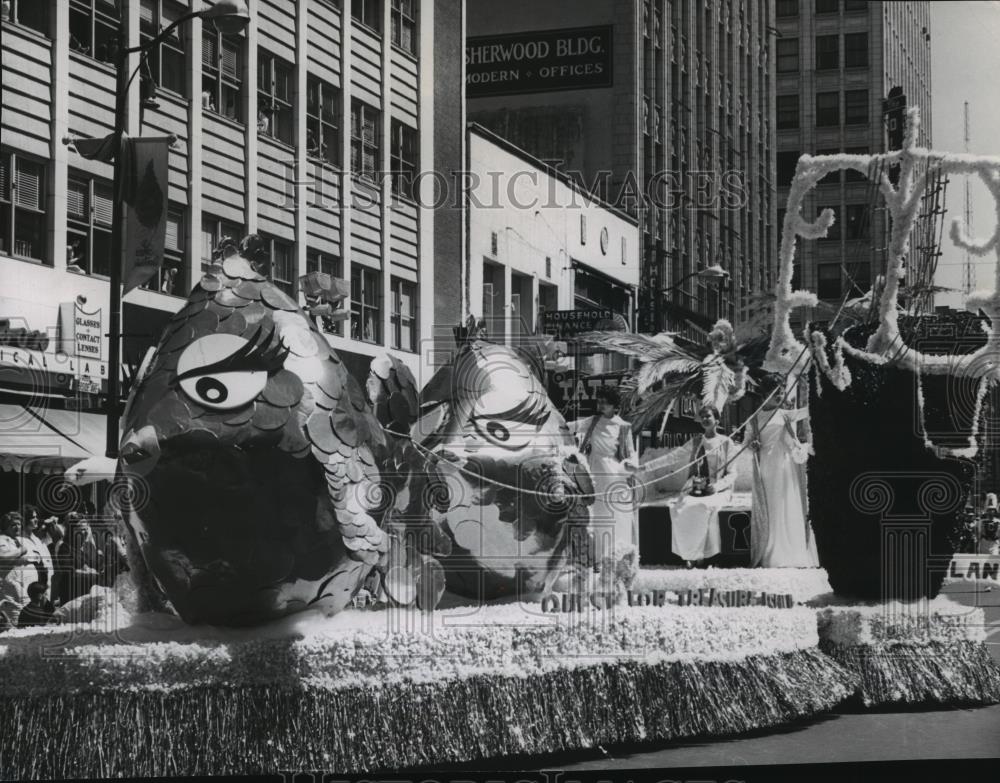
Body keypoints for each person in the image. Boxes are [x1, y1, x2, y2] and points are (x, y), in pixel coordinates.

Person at [749, 374, 819, 568]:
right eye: (775, 393)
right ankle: (772, 552)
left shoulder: (785, 415)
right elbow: (748, 441)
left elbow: (807, 411)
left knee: (787, 502)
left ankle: (793, 551)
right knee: (771, 504)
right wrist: (752, 444)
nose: (780, 396)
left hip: (785, 463)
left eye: (781, 392)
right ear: (765, 394)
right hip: (767, 465)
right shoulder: (755, 418)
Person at [567, 388, 639, 569]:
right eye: (599, 401)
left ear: (614, 405)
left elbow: (630, 454)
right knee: (598, 517)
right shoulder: (592, 421)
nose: (601, 405)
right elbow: (568, 426)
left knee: (617, 516)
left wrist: (630, 464)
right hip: (594, 473)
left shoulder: (623, 426)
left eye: (605, 402)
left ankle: (619, 557)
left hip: (615, 474)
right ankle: (598, 559)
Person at [667, 405, 737, 567]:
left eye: (709, 416)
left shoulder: (726, 443)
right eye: (703, 416)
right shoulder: (696, 442)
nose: (705, 419)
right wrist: (643, 468)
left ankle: (707, 556)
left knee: (703, 506)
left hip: (719, 490)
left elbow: (733, 473)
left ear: (717, 420)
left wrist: (718, 486)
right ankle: (690, 555)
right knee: (681, 507)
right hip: (697, 489)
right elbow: (672, 458)